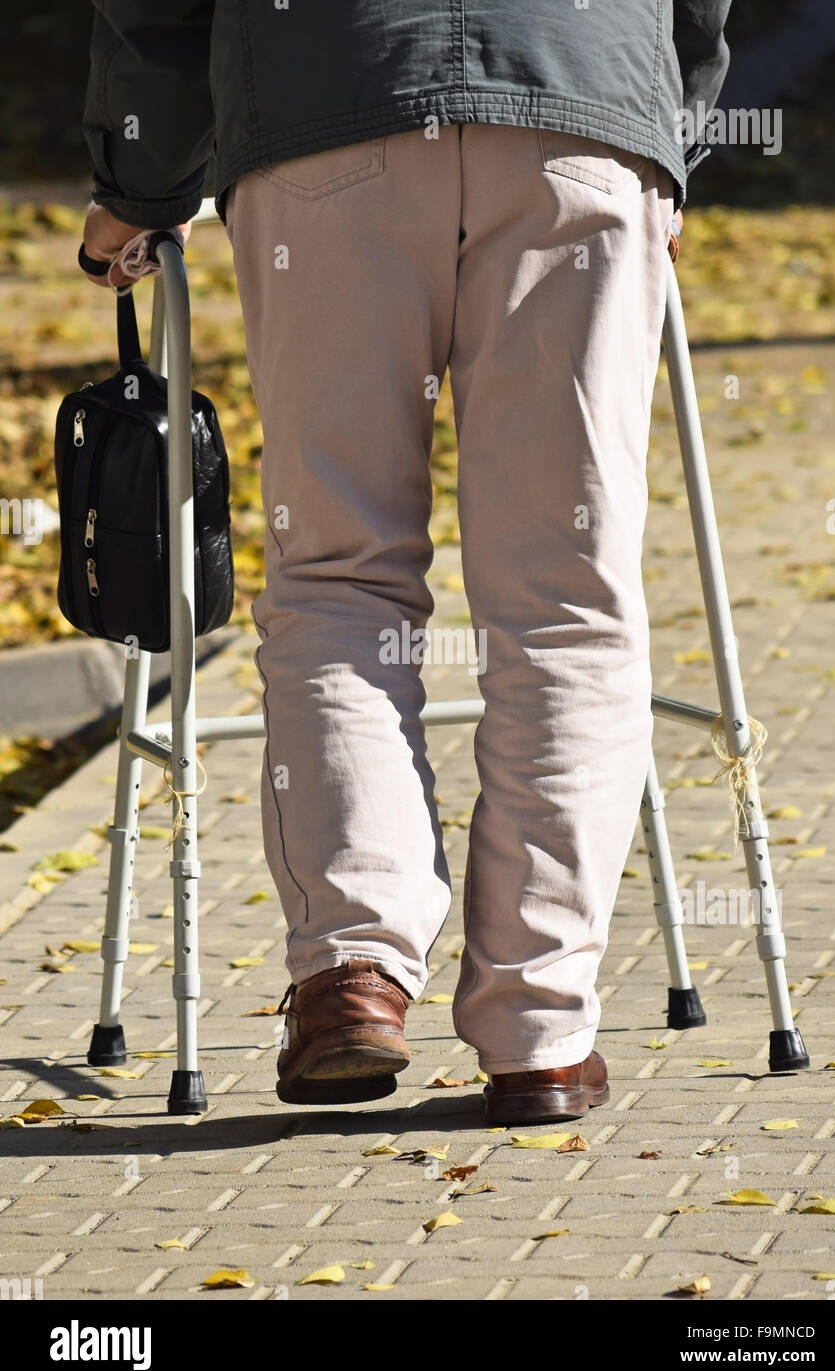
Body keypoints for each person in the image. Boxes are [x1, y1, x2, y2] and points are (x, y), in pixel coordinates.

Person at [80, 2, 731, 1125]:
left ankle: (351, 971)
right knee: (566, 599)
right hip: (579, 117)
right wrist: (667, 128)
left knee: (337, 571)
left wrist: (137, 185)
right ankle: (540, 1031)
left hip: (328, 111)